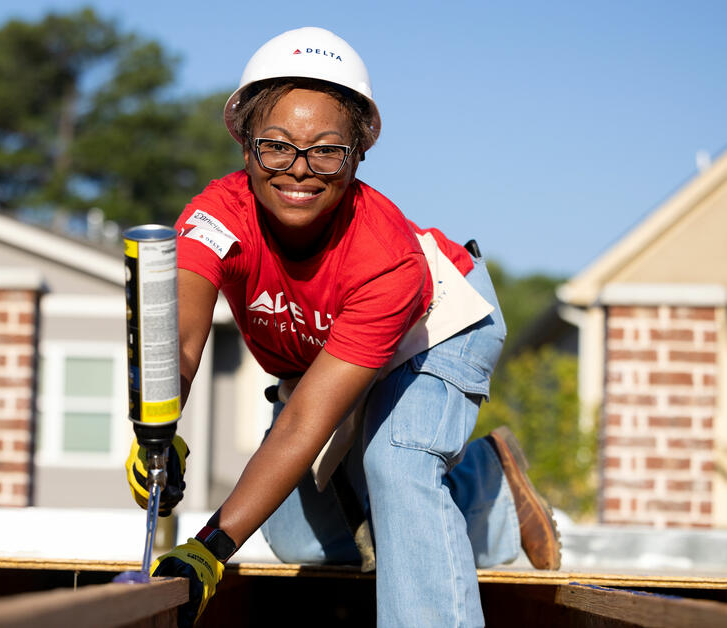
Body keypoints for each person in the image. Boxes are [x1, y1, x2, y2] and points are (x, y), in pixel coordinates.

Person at [128, 27, 560, 627]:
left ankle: (455, 496)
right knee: (301, 541)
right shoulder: (215, 219)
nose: (299, 170)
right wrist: (158, 423)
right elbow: (179, 341)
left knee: (398, 464)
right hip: (326, 354)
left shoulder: (384, 259)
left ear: (358, 154)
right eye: (275, 146)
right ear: (245, 145)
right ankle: (488, 499)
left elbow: (307, 419)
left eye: (327, 150)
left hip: (440, 321)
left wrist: (210, 547)